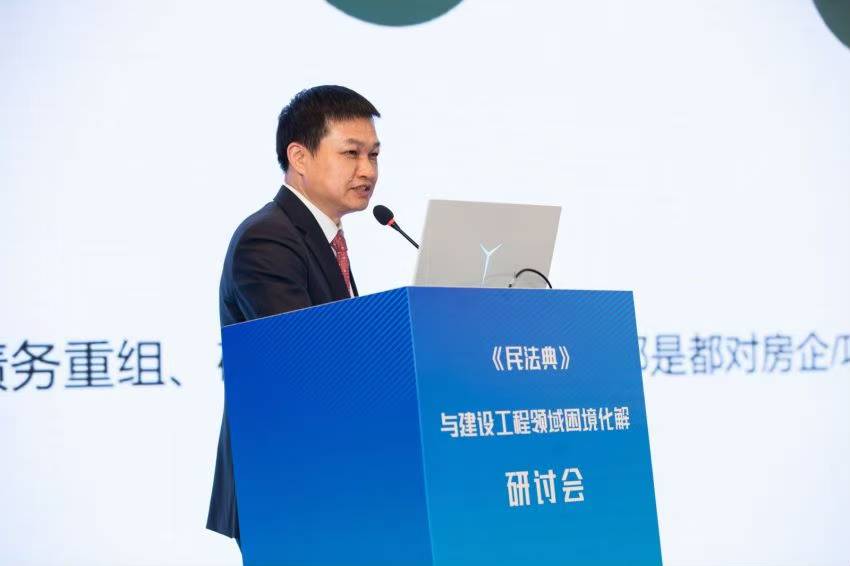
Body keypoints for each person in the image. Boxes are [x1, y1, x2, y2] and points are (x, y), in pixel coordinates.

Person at [206, 85, 381, 546]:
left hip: (326, 477)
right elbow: (305, 360)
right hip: (287, 483)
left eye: (374, 155)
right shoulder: (267, 238)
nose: (367, 170)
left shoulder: (319, 237)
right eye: (351, 153)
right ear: (299, 157)